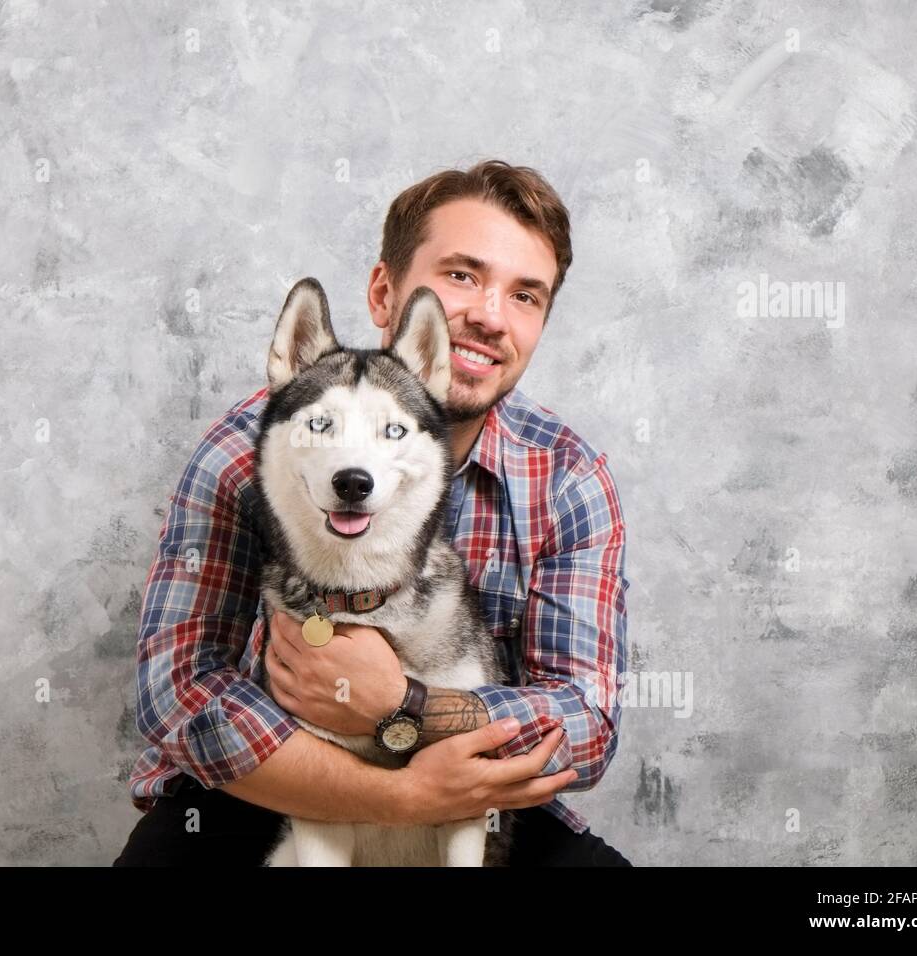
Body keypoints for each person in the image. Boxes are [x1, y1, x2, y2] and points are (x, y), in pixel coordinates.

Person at [115, 160, 631, 866]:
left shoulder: (567, 477)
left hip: (476, 792)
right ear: (385, 293)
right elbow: (176, 692)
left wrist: (406, 706)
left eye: (525, 295)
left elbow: (586, 723)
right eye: (460, 275)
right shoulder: (255, 449)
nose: (488, 314)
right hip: (271, 775)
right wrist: (396, 798)